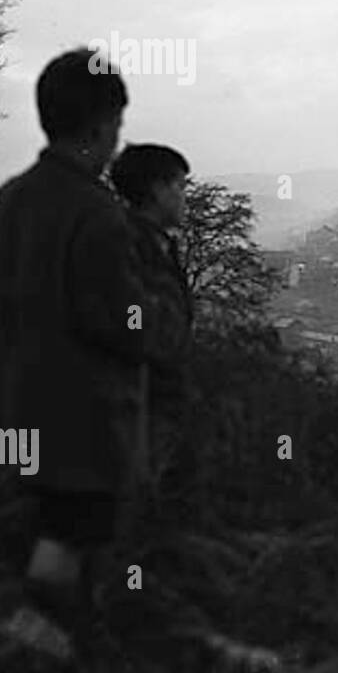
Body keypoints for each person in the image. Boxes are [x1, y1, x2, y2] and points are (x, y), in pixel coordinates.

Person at [0, 47, 151, 667]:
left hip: (15, 415)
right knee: (69, 551)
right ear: (104, 124)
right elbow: (121, 324)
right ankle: (43, 669)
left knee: (44, 538)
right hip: (84, 427)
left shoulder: (8, 202)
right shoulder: (97, 212)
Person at [109, 144, 194, 487]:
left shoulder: (157, 243)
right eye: (180, 186)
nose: (184, 197)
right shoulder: (127, 244)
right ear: (158, 190)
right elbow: (130, 325)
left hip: (159, 400)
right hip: (140, 402)